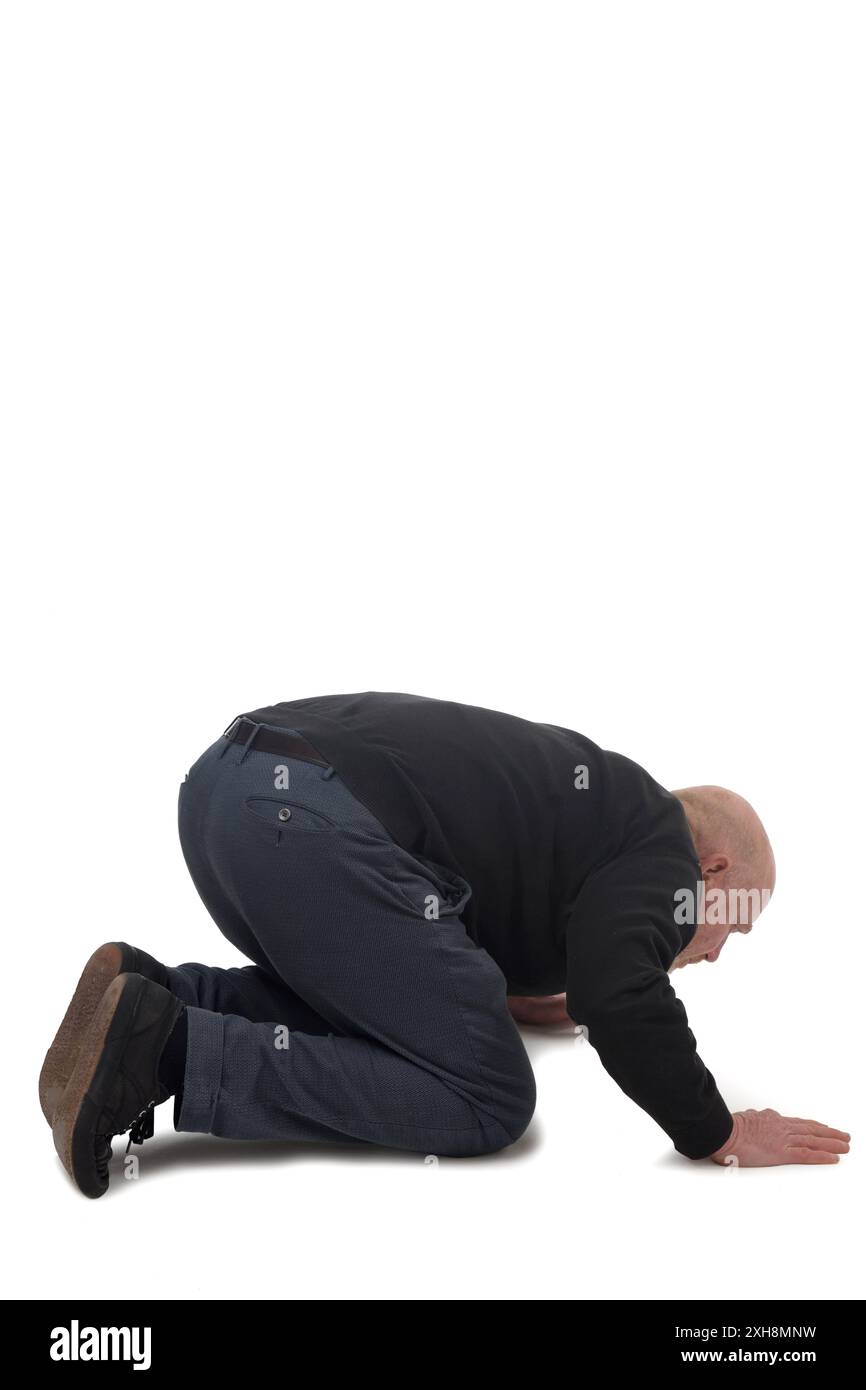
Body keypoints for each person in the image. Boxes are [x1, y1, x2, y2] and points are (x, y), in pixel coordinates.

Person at [40, 693, 850, 1198]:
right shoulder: (661, 848)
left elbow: (466, 918)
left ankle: (163, 1000)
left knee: (403, 1026)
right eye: (730, 920)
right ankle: (167, 1053)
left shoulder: (602, 814)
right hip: (310, 819)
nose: (713, 952)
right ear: (710, 867)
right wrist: (717, 1131)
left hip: (228, 790)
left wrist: (495, 992)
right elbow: (620, 993)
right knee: (491, 1098)